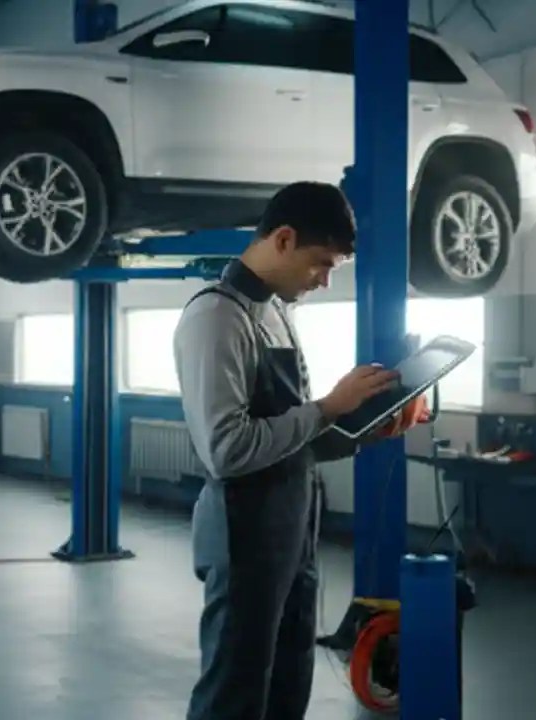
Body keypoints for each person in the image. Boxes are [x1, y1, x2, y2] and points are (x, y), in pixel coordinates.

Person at [174, 181, 428, 720]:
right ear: (283, 239)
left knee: (289, 681)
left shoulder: (278, 313)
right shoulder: (216, 317)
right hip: (244, 537)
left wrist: (363, 430)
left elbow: (296, 438)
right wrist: (330, 407)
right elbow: (227, 449)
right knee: (235, 693)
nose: (324, 279)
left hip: (292, 529)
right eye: (321, 263)